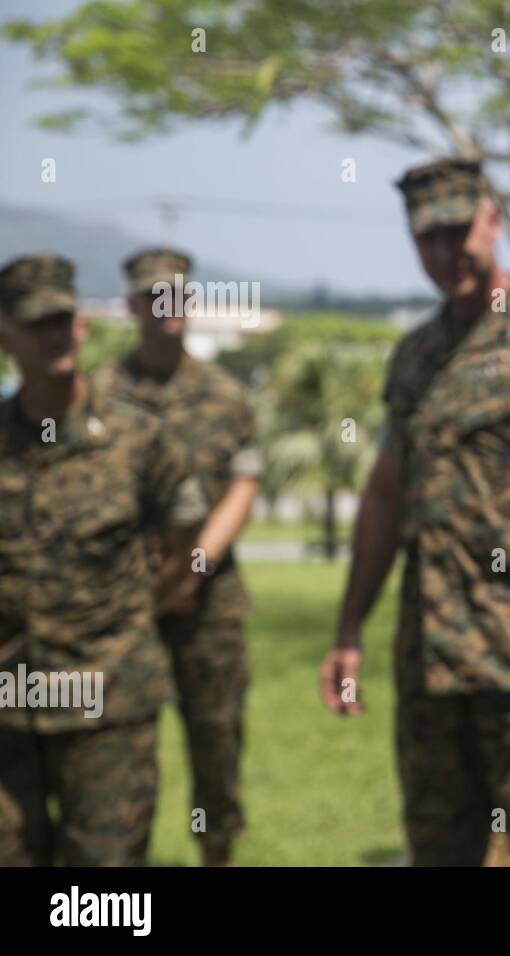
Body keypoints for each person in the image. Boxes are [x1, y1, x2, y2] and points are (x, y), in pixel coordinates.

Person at [319, 158, 510, 866]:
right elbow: (387, 494)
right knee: (439, 852)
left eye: (459, 231)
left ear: (492, 223)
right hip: (431, 662)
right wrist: (348, 628)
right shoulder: (415, 356)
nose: (446, 252)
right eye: (427, 239)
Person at [0, 253, 206, 865]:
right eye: (37, 323)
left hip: (108, 702)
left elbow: (184, 537)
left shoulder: (137, 439)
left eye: (63, 320)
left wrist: (139, 613)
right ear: (4, 334)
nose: (54, 336)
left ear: (83, 326)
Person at [98, 247, 263, 866]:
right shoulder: (103, 396)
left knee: (216, 743)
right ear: (133, 305)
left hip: (209, 601)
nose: (166, 308)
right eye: (152, 296)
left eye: (176, 296)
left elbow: (244, 486)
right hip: (122, 604)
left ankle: (216, 854)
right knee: (118, 750)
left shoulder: (225, 396)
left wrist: (191, 569)